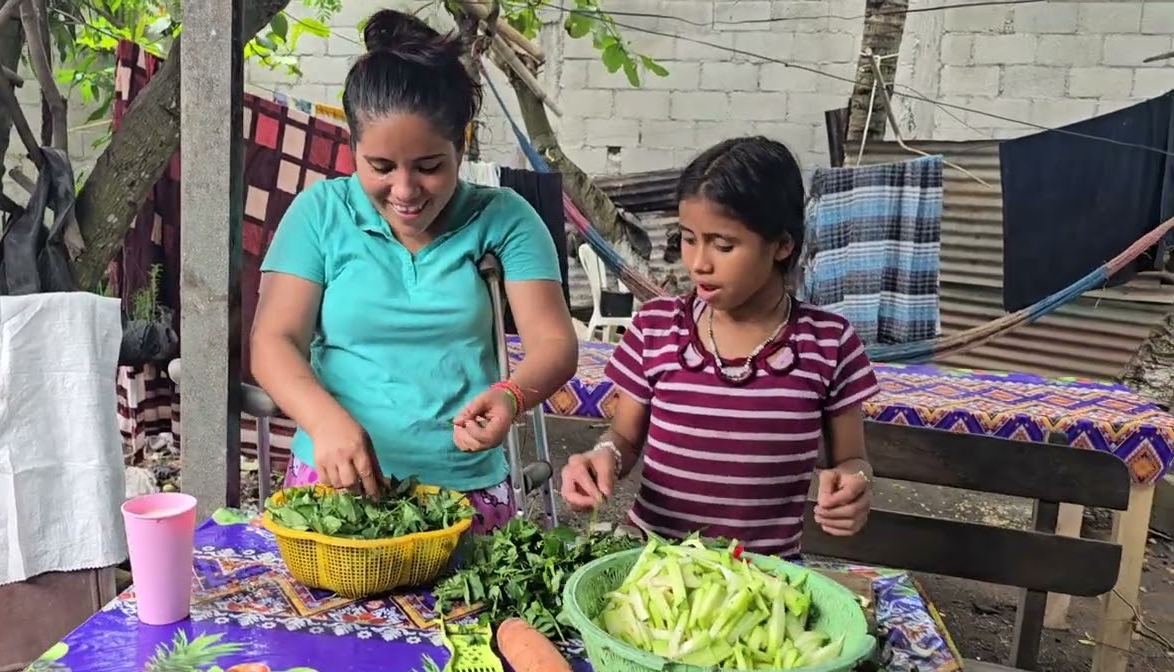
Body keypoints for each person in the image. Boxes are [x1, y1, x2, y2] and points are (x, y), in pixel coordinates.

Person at [250, 9, 578, 534]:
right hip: (335, 488)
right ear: (352, 147)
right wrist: (323, 420)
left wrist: (511, 395)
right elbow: (273, 339)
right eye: (380, 167)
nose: (404, 191)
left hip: (464, 494)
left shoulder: (505, 218)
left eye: (429, 167)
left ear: (461, 145)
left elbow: (554, 343)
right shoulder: (319, 213)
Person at [560, 136, 878, 559]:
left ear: (782, 244)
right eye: (689, 238)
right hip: (654, 567)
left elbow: (852, 460)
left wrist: (855, 486)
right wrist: (603, 456)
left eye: (723, 245)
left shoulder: (829, 342)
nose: (699, 263)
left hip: (764, 577)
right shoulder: (657, 328)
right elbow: (624, 438)